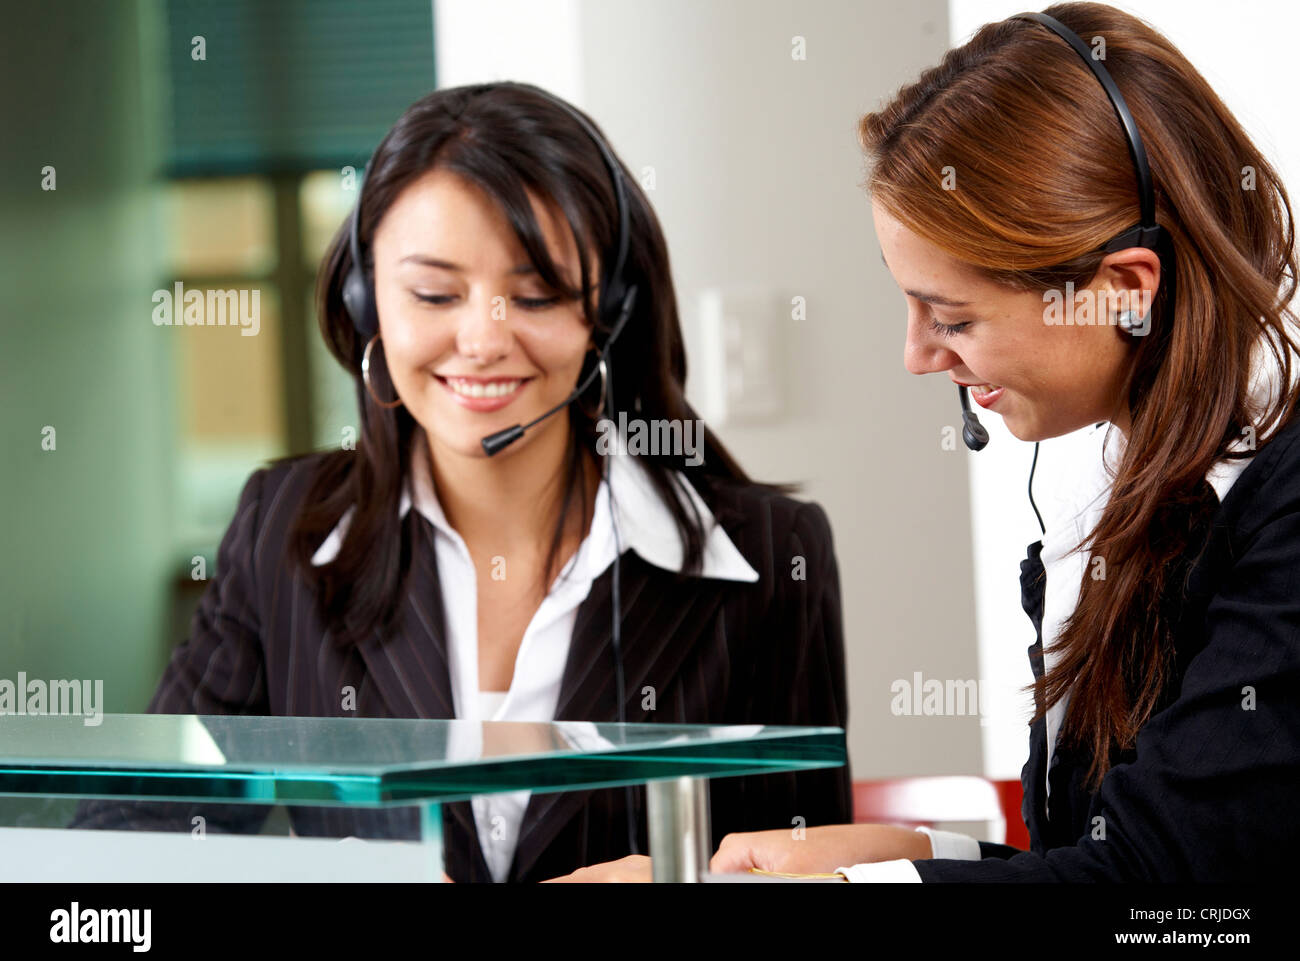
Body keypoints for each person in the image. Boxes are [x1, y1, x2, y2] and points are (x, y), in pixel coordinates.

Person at [568, 2, 1300, 882]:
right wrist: (909, 851)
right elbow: (1096, 858)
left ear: (1123, 290)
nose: (915, 357)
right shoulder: (1134, 492)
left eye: (953, 318)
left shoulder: (1281, 515)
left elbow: (1163, 902)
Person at [71, 82, 851, 882]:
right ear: (365, 296)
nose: (482, 339)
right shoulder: (283, 531)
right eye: (435, 294)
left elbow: (813, 865)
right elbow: (122, 839)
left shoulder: (769, 557)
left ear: (607, 313)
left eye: (537, 293)